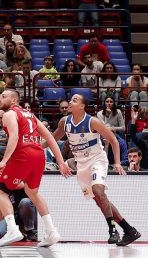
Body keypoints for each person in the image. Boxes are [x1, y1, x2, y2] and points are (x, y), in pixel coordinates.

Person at [50, 94, 140, 245]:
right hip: (81, 165)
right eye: (71, 99)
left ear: (82, 106)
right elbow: (52, 140)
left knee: (99, 191)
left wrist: (117, 163)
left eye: (74, 100)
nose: (70, 102)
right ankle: (129, 230)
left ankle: (112, 230)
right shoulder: (64, 122)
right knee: (99, 200)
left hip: (97, 159)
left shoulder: (93, 121)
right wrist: (36, 146)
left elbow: (113, 140)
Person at [0, 89, 71, 248]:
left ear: (14, 100)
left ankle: (12, 229)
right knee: (32, 192)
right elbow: (49, 137)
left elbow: (14, 137)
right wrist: (61, 161)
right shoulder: (30, 114)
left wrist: (4, 161)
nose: (0, 99)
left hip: (23, 154)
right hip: (38, 155)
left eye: (3, 96)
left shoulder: (9, 114)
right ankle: (51, 231)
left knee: (0, 190)